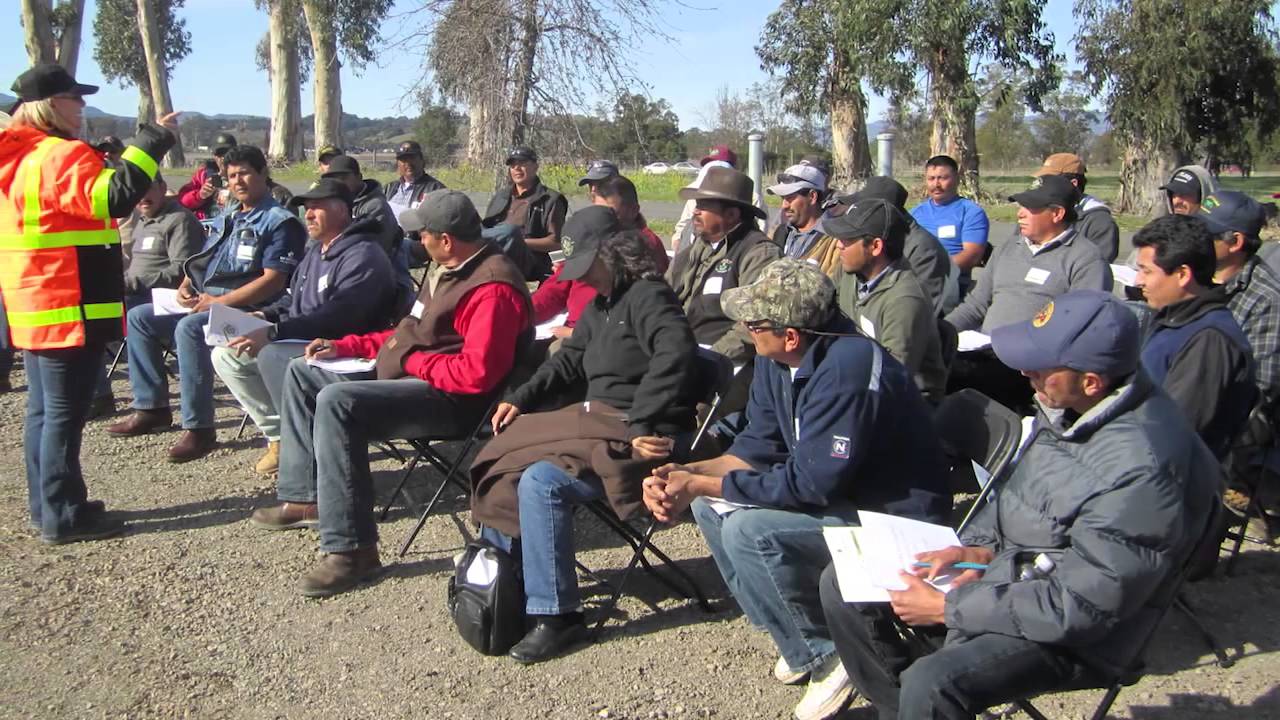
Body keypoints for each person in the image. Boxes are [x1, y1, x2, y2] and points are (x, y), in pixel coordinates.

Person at [819, 290, 1221, 720]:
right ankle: (898, 710)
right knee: (840, 581)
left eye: (1041, 366)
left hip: (1078, 633)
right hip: (1014, 577)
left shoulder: (1143, 468)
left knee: (933, 681)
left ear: (1091, 380)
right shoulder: (1075, 407)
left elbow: (1083, 605)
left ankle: (917, 706)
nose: (1025, 370)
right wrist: (975, 549)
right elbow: (1013, 499)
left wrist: (950, 608)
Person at [643, 259, 951, 720]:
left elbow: (811, 484)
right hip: (842, 498)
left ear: (791, 335)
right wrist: (684, 475)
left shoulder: (848, 367)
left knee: (749, 531)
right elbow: (756, 447)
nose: (746, 330)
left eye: (755, 323)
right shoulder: (776, 359)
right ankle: (791, 631)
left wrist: (702, 482)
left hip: (893, 518)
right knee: (711, 505)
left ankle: (825, 654)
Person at [248, 191, 532, 597]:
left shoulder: (492, 288)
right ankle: (305, 498)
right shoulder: (449, 267)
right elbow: (409, 335)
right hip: (422, 378)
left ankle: (353, 549)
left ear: (446, 239)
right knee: (302, 371)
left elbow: (476, 377)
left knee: (338, 402)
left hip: (456, 403)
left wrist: (413, 360)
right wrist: (348, 345)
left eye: (423, 234)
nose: (418, 242)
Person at [469, 208, 697, 663]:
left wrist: (643, 424)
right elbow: (568, 359)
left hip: (639, 434)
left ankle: (558, 616)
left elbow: (677, 355)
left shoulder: (649, 297)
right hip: (599, 424)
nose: (582, 278)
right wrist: (522, 396)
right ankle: (502, 577)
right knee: (504, 453)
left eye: (587, 265)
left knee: (540, 479)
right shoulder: (601, 304)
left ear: (612, 255)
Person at [0, 63, 176, 543]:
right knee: (62, 414)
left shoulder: (17, 158)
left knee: (42, 411)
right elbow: (115, 198)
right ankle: (63, 516)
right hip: (66, 305)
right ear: (52, 104)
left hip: (36, 305)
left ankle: (51, 505)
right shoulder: (58, 155)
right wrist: (152, 141)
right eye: (75, 98)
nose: (81, 106)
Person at [106, 145, 307, 463]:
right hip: (207, 301)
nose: (237, 181)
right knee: (140, 316)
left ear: (262, 174)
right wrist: (186, 285)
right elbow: (203, 261)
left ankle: (199, 428)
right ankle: (152, 407)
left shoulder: (279, 222)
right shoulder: (228, 216)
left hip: (249, 311)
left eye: (244, 173)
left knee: (188, 329)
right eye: (231, 175)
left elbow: (274, 281)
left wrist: (218, 302)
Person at [211, 179, 397, 476]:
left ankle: (303, 448)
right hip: (306, 340)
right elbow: (291, 300)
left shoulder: (363, 255)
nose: (308, 215)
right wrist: (264, 316)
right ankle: (282, 437)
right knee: (227, 355)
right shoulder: (316, 251)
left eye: (316, 208)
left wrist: (274, 332)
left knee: (270, 354)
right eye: (306, 209)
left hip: (345, 349)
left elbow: (340, 318)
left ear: (341, 211)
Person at [945, 175, 1112, 413]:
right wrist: (940, 331)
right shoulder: (1008, 249)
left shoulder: (1085, 259)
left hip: (1031, 367)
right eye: (1020, 207)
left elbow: (1080, 328)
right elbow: (976, 305)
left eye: (1030, 208)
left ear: (1057, 214)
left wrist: (1024, 350)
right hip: (981, 351)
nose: (1020, 214)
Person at [1133, 214, 1256, 460]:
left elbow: (1173, 431)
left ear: (1182, 274)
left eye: (1146, 271)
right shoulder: (1171, 317)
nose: (1138, 281)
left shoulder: (1209, 340)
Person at [827, 198, 947, 403]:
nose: (839, 245)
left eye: (848, 239)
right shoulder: (850, 272)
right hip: (853, 381)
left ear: (875, 246)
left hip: (903, 404)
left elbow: (893, 376)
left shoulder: (905, 300)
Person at [532, 175, 669, 347]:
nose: (601, 219)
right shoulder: (588, 238)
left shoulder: (645, 249)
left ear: (633, 210)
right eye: (596, 212)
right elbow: (556, 289)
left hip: (596, 340)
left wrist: (575, 334)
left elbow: (627, 323)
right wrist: (523, 315)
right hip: (571, 329)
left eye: (610, 213)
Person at [667, 166, 781, 367]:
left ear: (731, 215)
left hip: (725, 363)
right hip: (677, 350)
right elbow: (661, 295)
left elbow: (754, 324)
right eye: (696, 204)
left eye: (704, 205)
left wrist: (709, 361)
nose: (695, 211)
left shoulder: (758, 253)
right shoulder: (692, 251)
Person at [833, 176, 956, 316]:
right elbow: (835, 292)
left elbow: (918, 313)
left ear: (882, 212)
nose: (853, 214)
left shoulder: (923, 249)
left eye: (861, 209)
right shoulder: (857, 245)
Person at [482, 145, 569, 280]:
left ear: (535, 166)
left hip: (531, 261)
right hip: (496, 254)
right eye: (512, 165)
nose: (516, 168)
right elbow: (486, 230)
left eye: (522, 163)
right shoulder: (501, 196)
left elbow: (557, 243)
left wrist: (517, 241)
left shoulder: (551, 199)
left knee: (509, 232)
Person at [910, 155, 989, 296]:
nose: (936, 184)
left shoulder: (971, 212)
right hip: (914, 280)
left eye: (943, 178)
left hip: (951, 283)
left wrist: (931, 269)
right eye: (931, 179)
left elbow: (972, 256)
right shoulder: (915, 213)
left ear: (957, 179)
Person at [122, 173, 206, 305]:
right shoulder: (143, 221)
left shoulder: (180, 220)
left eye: (148, 188)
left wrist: (132, 284)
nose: (143, 196)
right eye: (136, 190)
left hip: (161, 299)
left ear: (163, 188)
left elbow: (181, 271)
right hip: (135, 294)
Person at [1028, 153, 1120, 262]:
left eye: (1049, 181)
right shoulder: (1034, 212)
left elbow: (1097, 267)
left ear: (1073, 184)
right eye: (1041, 180)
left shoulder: (1099, 223)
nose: (1041, 186)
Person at [321, 154, 402, 259]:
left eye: (344, 178)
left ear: (359, 177)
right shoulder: (334, 203)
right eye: (334, 180)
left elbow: (371, 250)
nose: (339, 184)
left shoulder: (376, 207)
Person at [766, 163, 840, 275]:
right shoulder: (777, 233)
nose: (784, 205)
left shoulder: (837, 240)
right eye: (783, 198)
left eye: (790, 198)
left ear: (812, 196)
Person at [385, 140, 448, 268]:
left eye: (412, 158)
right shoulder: (389, 188)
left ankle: (401, 287)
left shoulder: (435, 189)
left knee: (389, 249)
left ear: (421, 160)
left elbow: (442, 223)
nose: (408, 163)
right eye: (403, 160)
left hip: (416, 242)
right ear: (398, 164)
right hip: (387, 237)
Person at [671, 145, 738, 251]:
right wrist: (679, 245)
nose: (696, 211)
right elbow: (683, 227)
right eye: (698, 202)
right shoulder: (696, 236)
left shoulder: (749, 251)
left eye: (705, 203)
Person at [177, 132, 236, 219]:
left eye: (228, 153)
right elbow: (183, 202)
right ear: (215, 156)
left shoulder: (242, 175)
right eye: (220, 153)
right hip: (207, 222)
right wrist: (200, 195)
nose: (224, 157)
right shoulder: (204, 175)